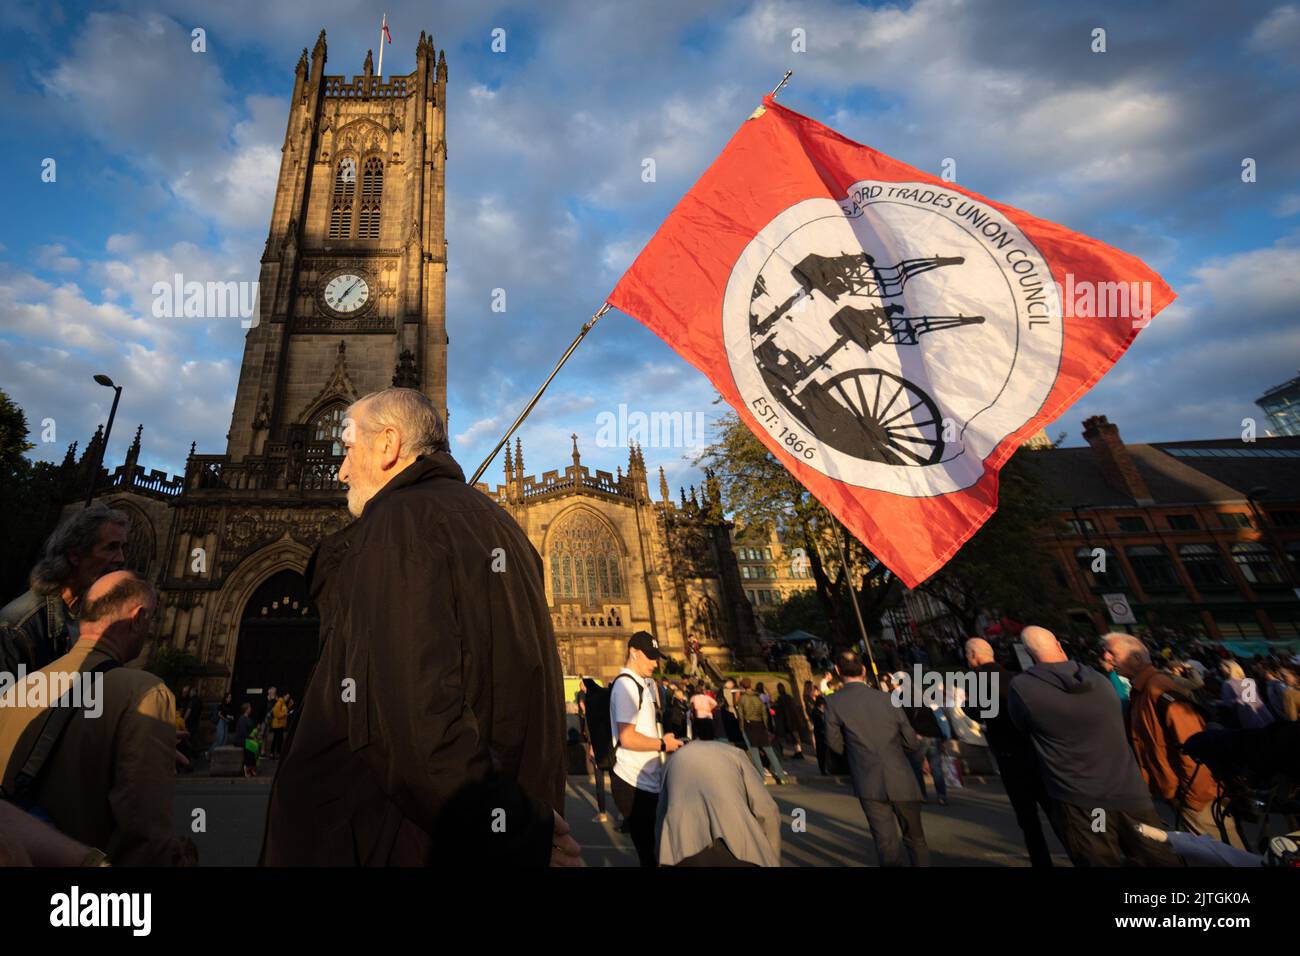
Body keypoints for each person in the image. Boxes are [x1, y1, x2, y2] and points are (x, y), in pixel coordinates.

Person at [260, 388, 575, 867]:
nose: (342, 470)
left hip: (409, 840)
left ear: (388, 445)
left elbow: (416, 725)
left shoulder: (398, 526)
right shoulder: (504, 528)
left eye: (347, 449)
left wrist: (516, 832)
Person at [0, 571, 190, 865]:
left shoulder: (20, 688)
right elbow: (146, 837)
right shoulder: (145, 693)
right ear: (138, 618)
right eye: (150, 619)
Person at [1008, 626, 1179, 867]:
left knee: (1097, 859)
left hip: (1082, 801)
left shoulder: (1023, 687)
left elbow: (1020, 724)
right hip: (1129, 792)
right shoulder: (1099, 680)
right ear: (1058, 644)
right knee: (1156, 858)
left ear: (1027, 652)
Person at [1103, 633, 1245, 848]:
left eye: (1112, 653)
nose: (1106, 657)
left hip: (1196, 797)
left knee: (1224, 854)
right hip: (1177, 792)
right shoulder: (1141, 692)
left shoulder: (1158, 688)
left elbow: (1194, 745)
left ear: (1137, 658)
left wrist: (1193, 797)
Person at [823, 650, 928, 866]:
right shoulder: (888, 699)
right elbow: (910, 740)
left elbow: (833, 744)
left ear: (836, 671)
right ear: (863, 670)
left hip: (867, 778)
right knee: (916, 839)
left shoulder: (833, 702)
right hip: (900, 776)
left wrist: (855, 754)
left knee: (885, 842)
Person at [1, 504, 129, 672]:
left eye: (122, 547)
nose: (121, 558)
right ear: (75, 555)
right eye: (110, 547)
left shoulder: (92, 615)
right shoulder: (17, 627)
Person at [964, 637, 1057, 867]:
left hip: (1009, 754)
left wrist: (967, 706)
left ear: (974, 655)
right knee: (1054, 811)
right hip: (1032, 750)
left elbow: (980, 711)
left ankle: (1041, 861)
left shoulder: (976, 678)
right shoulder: (1015, 676)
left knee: (1028, 819)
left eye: (967, 654)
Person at [610, 631, 683, 866]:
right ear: (633, 652)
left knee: (657, 852)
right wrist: (663, 744)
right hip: (633, 782)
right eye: (650, 657)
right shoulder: (626, 685)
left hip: (647, 781)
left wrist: (662, 739)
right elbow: (627, 737)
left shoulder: (641, 684)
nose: (655, 663)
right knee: (651, 855)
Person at [655, 741, 781, 866]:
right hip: (739, 847)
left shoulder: (671, 761)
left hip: (684, 848)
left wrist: (662, 855)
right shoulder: (735, 754)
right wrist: (771, 857)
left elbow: (661, 817)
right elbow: (767, 811)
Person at [736, 678, 790, 784]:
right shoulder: (758, 697)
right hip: (760, 724)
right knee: (769, 751)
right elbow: (764, 713)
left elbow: (741, 715)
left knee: (754, 752)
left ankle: (762, 777)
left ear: (742, 687)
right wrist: (766, 727)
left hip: (749, 725)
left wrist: (741, 728)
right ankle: (782, 776)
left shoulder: (742, 699)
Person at [902, 699, 948, 806]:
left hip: (920, 737)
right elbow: (935, 722)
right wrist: (942, 739)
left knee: (916, 767)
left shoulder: (906, 706)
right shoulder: (926, 706)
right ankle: (942, 796)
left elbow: (907, 724)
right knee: (936, 768)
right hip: (934, 736)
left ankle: (922, 795)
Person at [1219, 660, 1274, 729]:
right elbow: (1258, 698)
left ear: (1229, 668)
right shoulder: (1248, 680)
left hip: (1247, 716)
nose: (1220, 669)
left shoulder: (1227, 684)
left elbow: (1228, 704)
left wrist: (1219, 703)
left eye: (1222, 667)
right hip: (1263, 712)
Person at [268, 692, 288, 758]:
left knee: (279, 739)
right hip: (277, 725)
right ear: (284, 696)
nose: (287, 698)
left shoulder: (283, 703)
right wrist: (284, 714)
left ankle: (277, 753)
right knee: (277, 739)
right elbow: (276, 714)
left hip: (281, 724)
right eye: (287, 697)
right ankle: (273, 753)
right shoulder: (279, 703)